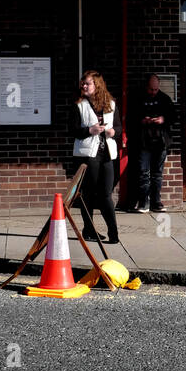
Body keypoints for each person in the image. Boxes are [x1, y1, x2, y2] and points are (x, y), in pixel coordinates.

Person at [73, 70, 120, 243]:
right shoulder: (79, 104)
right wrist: (89, 131)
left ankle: (113, 233)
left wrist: (113, 132)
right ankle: (89, 230)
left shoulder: (111, 104)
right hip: (87, 154)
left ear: (97, 85)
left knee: (106, 194)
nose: (84, 86)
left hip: (107, 154)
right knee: (88, 194)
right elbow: (73, 130)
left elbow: (119, 128)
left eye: (88, 83)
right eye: (83, 83)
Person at [134, 73, 175, 213]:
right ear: (147, 87)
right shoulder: (139, 99)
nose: (153, 92)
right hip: (144, 140)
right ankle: (143, 202)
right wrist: (143, 120)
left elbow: (173, 117)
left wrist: (162, 119)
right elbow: (132, 117)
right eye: (151, 89)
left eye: (156, 89)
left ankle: (156, 202)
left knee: (157, 173)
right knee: (143, 172)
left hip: (160, 140)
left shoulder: (165, 99)